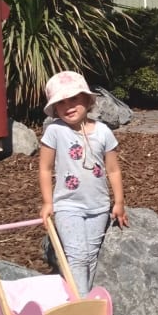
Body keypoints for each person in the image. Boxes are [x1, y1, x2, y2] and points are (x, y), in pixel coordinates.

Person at [39, 71, 127, 294]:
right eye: (61, 102)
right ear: (55, 108)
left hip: (97, 206)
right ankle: (81, 309)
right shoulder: (55, 131)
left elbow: (113, 170)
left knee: (90, 256)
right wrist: (48, 202)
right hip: (68, 205)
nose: (68, 106)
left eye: (74, 99)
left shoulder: (103, 132)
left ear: (87, 100)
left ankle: (82, 303)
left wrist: (118, 202)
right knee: (76, 256)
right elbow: (45, 168)